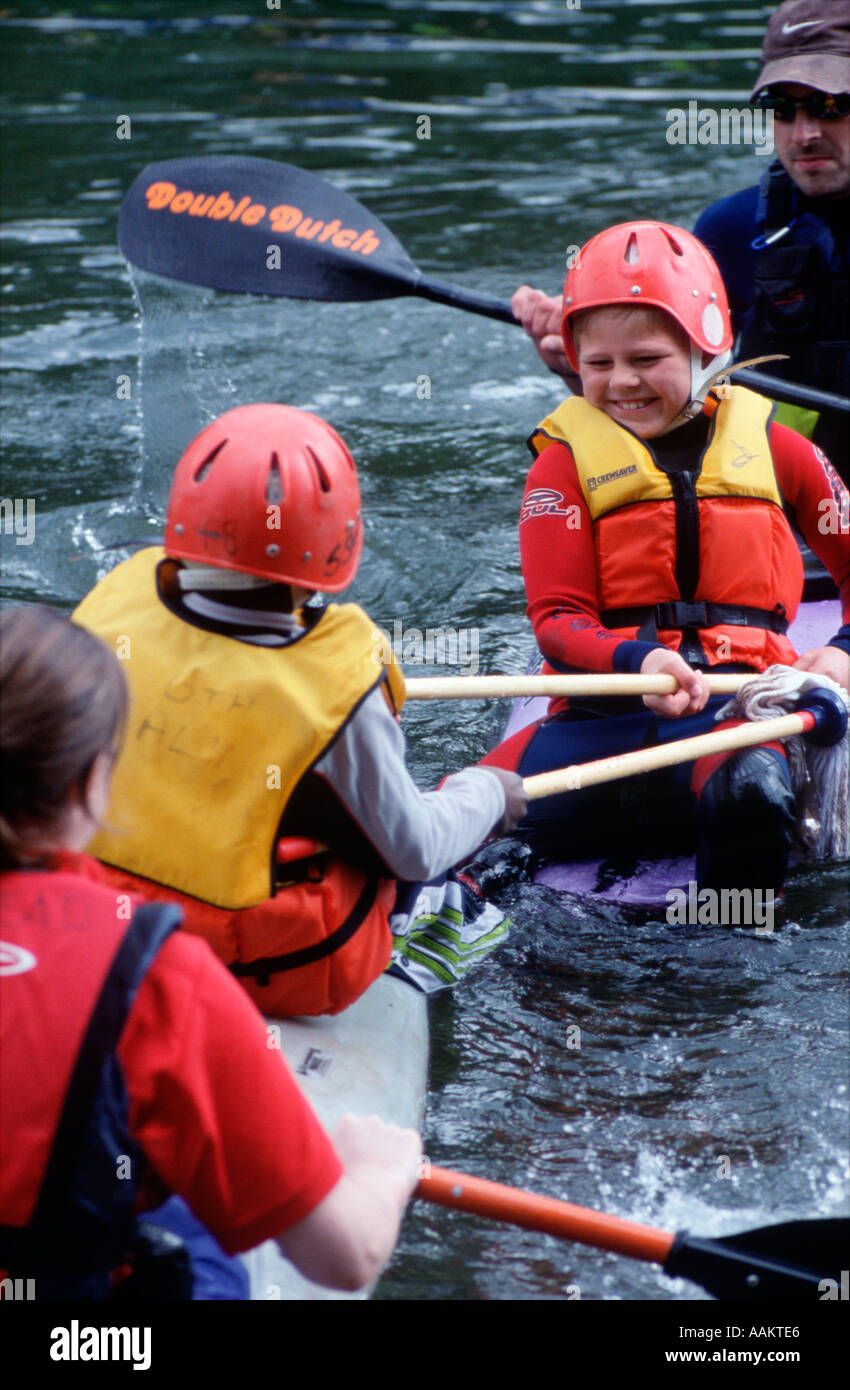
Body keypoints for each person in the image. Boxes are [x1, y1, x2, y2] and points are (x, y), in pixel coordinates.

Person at [0, 605, 422, 1299]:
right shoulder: (154, 975)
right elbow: (344, 1257)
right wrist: (379, 1171)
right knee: (186, 1221)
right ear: (90, 784)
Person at [73, 403, 526, 1015]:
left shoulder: (114, 604)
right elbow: (411, 848)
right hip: (267, 967)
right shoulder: (336, 681)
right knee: (452, 879)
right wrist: (490, 794)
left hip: (101, 919)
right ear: (337, 545)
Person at [483, 220, 850, 893]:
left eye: (646, 359)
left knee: (751, 798)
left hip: (736, 711)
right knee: (461, 819)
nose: (622, 383)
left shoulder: (780, 449)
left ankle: (727, 973)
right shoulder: (562, 467)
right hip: (601, 712)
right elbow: (556, 620)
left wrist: (843, 651)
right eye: (598, 364)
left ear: (704, 348)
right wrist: (639, 662)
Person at [512, 1, 850, 483]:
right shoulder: (729, 234)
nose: (805, 133)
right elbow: (667, 414)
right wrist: (590, 361)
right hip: (785, 510)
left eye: (831, 105)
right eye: (781, 107)